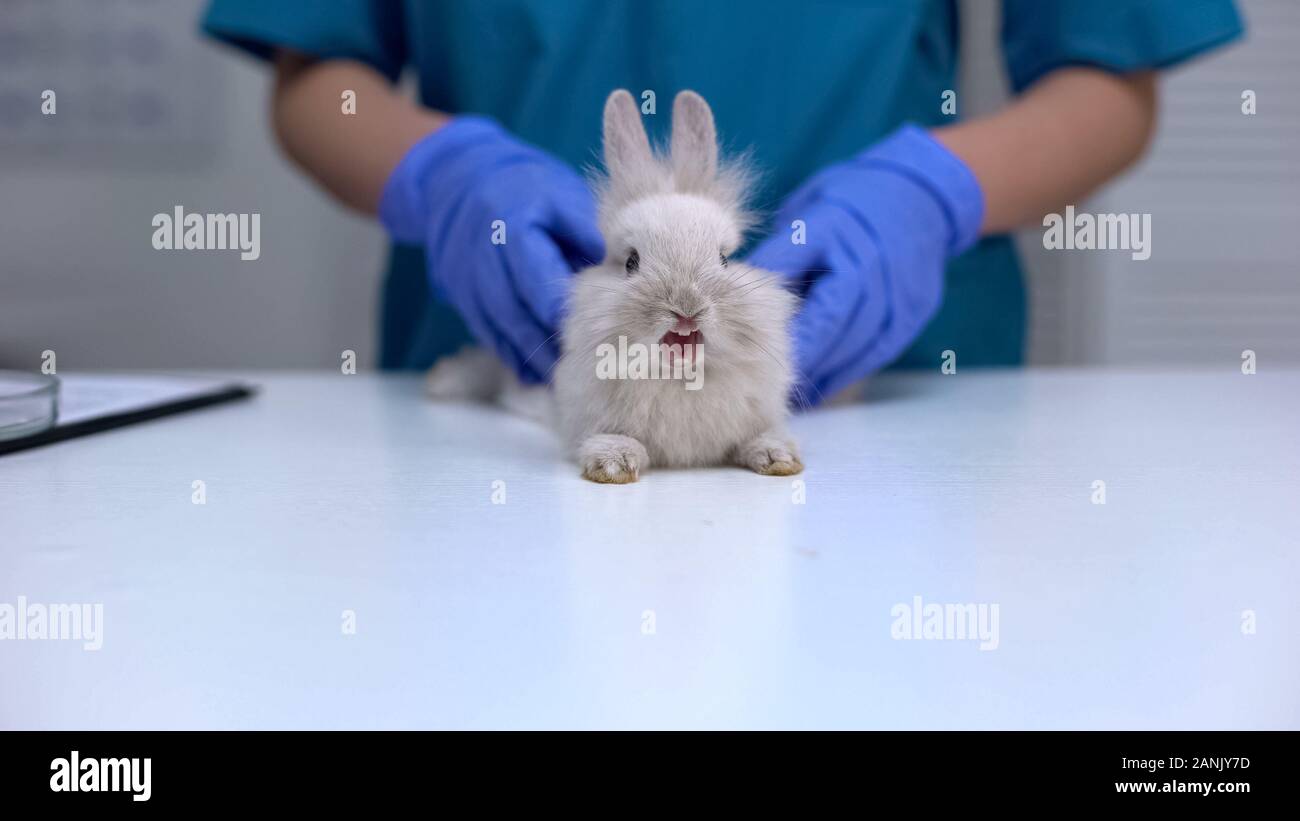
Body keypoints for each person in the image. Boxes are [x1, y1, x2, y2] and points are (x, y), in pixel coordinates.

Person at [202, 0, 1242, 403]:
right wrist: (443, 172)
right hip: (498, 406)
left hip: (896, 394)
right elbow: (314, 80)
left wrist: (936, 192)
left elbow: (1111, 73)